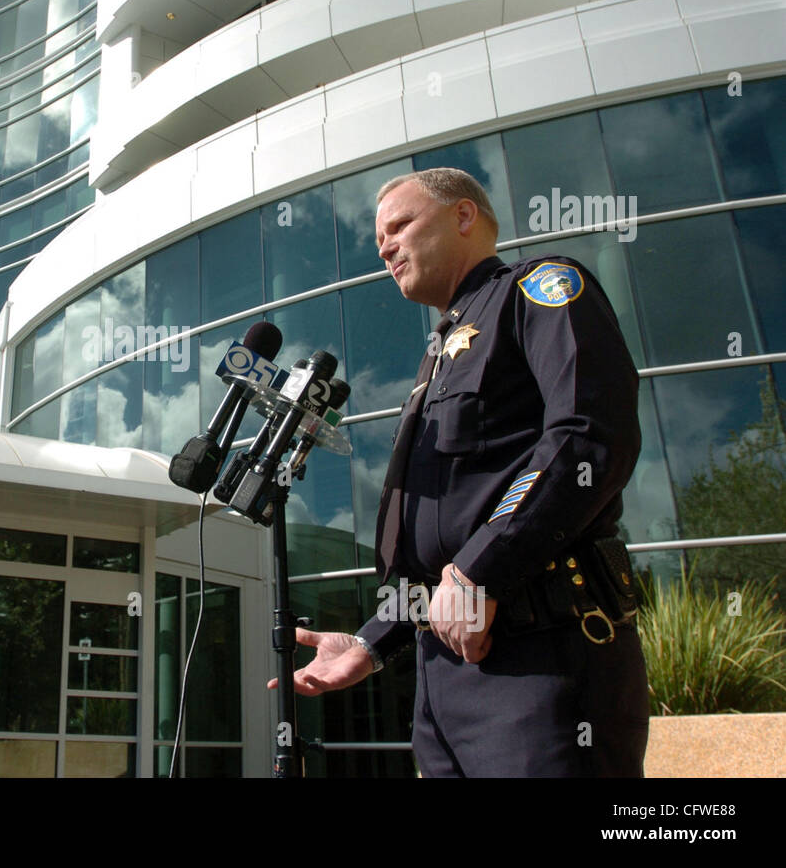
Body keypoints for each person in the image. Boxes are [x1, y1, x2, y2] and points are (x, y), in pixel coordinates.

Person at [274, 167, 649, 777]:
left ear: (464, 216)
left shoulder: (539, 289)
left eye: (400, 225)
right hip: (443, 677)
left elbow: (587, 436)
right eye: (378, 239)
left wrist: (480, 571)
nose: (385, 246)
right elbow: (436, 548)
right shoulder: (437, 355)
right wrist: (372, 641)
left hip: (539, 661)